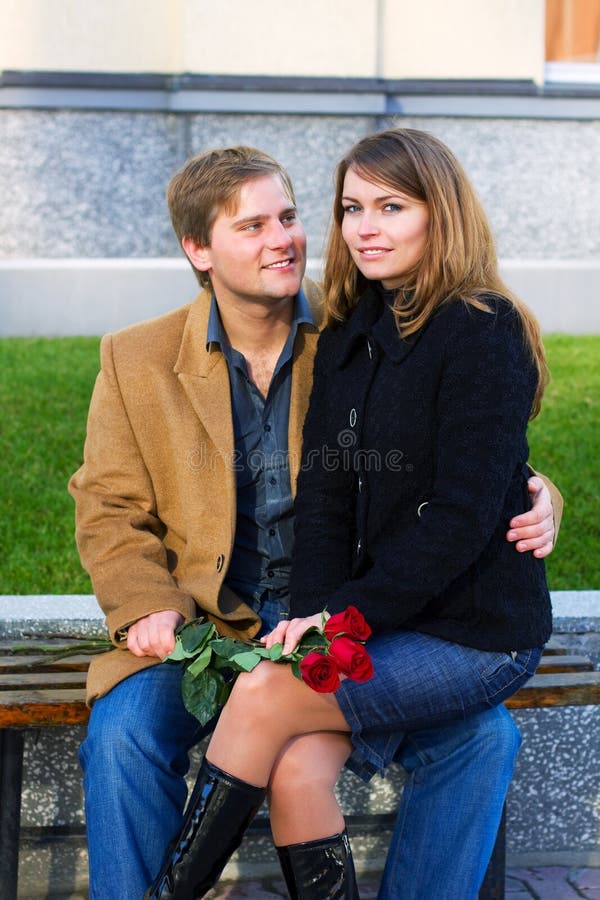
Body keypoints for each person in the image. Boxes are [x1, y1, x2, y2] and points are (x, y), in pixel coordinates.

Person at [68, 144, 561, 900]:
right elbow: (107, 505)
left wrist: (534, 489)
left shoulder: (350, 324)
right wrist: (146, 603)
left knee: (483, 737)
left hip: (363, 612)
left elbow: (459, 460)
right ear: (197, 249)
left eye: (290, 218)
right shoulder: (136, 359)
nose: (283, 240)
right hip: (212, 619)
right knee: (123, 735)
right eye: (253, 225)